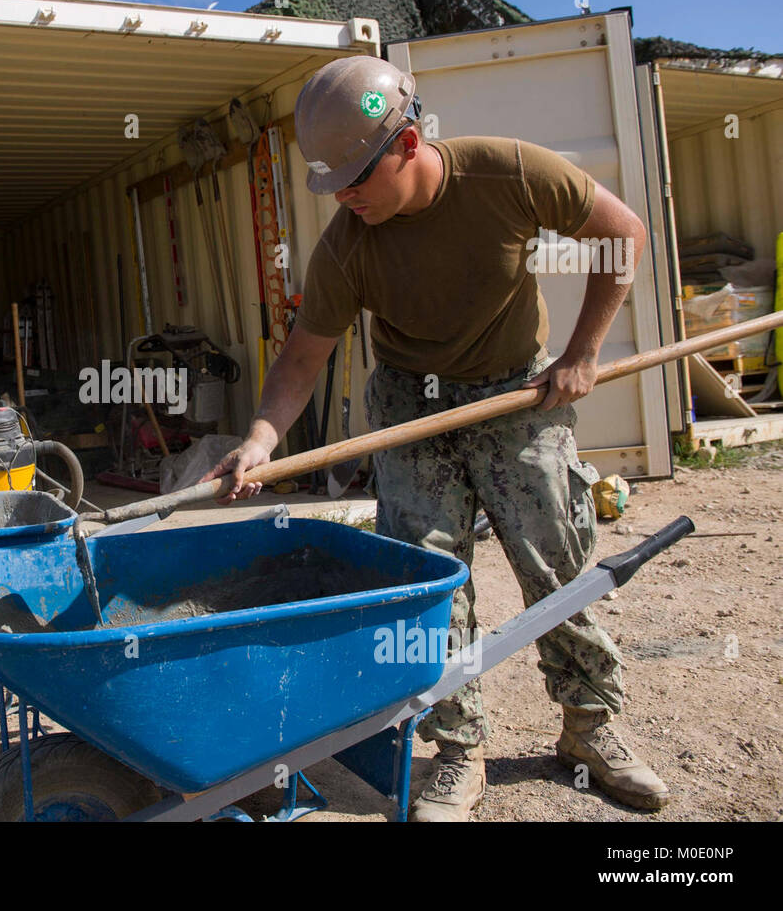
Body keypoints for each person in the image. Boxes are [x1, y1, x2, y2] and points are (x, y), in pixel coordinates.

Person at [208, 57, 668, 821]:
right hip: (412, 409)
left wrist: (584, 353)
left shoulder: (509, 173)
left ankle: (591, 729)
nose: (345, 199)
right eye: (333, 184)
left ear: (409, 143)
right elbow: (302, 355)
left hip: (519, 395)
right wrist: (261, 437)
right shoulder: (347, 246)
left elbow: (623, 234)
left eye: (356, 179)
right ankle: (459, 750)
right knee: (430, 582)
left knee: (555, 567)